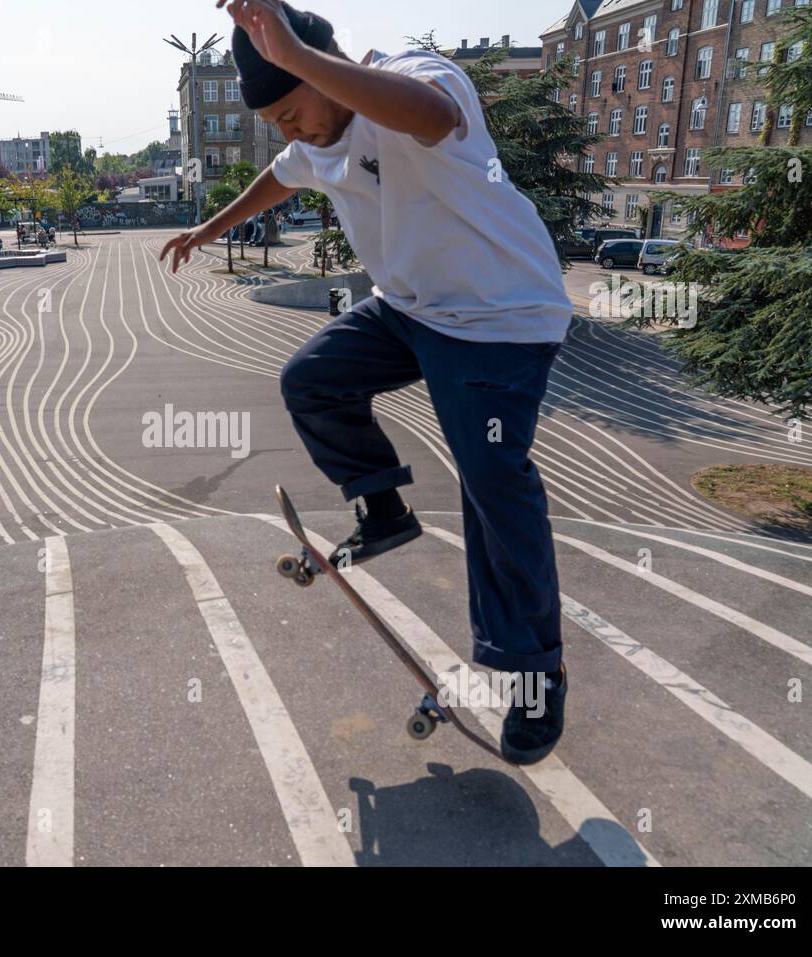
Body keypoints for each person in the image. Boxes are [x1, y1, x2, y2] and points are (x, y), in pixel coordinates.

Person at [160, 0, 573, 764]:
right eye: (280, 120)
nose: (294, 130)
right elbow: (276, 180)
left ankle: (533, 676)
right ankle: (383, 508)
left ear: (330, 73)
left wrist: (298, 54)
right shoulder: (309, 139)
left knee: (492, 480)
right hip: (412, 310)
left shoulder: (412, 81)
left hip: (498, 317)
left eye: (294, 111)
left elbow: (431, 113)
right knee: (310, 380)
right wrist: (208, 230)